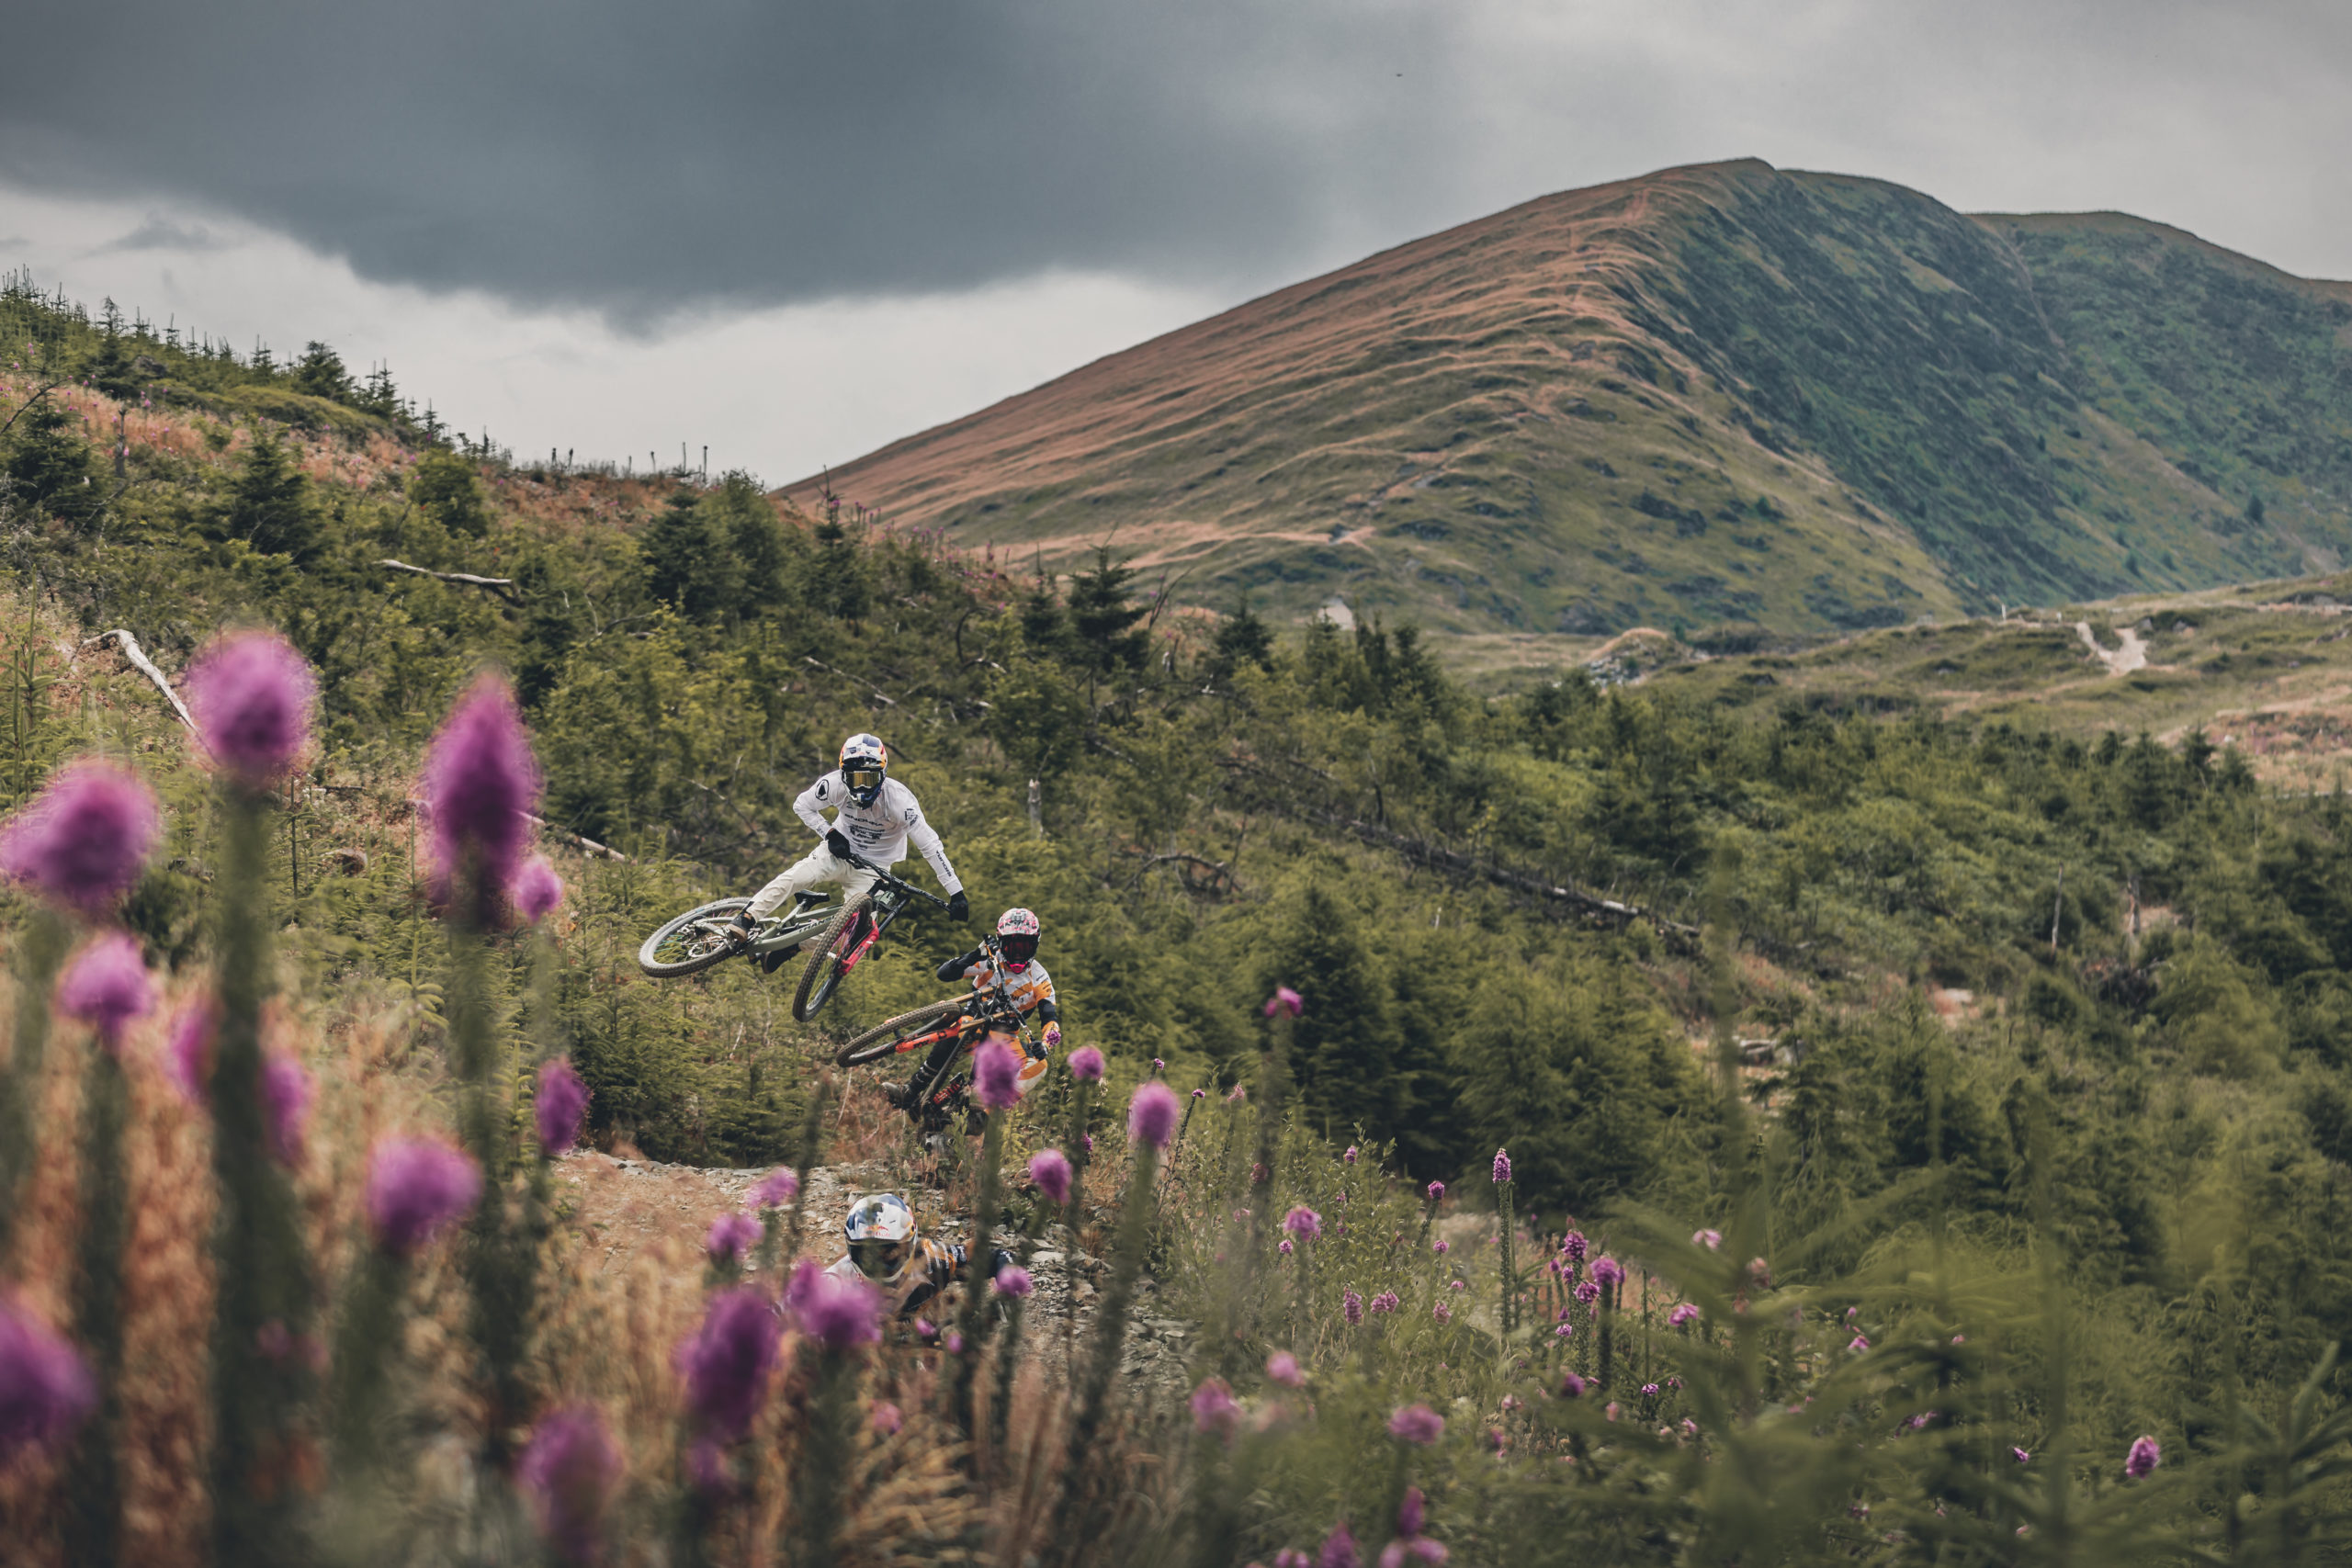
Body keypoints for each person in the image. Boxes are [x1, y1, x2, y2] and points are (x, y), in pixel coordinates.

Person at [730, 733, 968, 960]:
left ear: (883, 774)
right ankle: (747, 918)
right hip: (837, 853)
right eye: (856, 779)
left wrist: (955, 892)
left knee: (855, 934)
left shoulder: (900, 802)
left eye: (870, 779)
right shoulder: (832, 784)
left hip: (874, 870)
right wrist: (830, 833)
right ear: (843, 775)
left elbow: (930, 846)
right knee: (798, 876)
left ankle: (790, 946)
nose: (863, 788)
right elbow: (802, 805)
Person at [888, 907, 1062, 1118]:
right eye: (1012, 946)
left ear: (1035, 944)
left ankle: (988, 1114)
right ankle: (912, 1089)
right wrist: (973, 956)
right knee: (962, 1026)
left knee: (1040, 1065)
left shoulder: (1040, 977)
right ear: (1001, 942)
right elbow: (943, 974)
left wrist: (1045, 1044)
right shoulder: (990, 958)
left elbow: (1050, 1019)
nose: (1017, 954)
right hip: (974, 1018)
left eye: (1024, 947)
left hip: (1005, 1036)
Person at [825, 1192, 1011, 1321]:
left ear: (911, 1245)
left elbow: (997, 1256)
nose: (879, 1265)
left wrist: (1008, 1284)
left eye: (889, 1253)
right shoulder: (833, 1283)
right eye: (868, 1255)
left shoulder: (932, 1257)